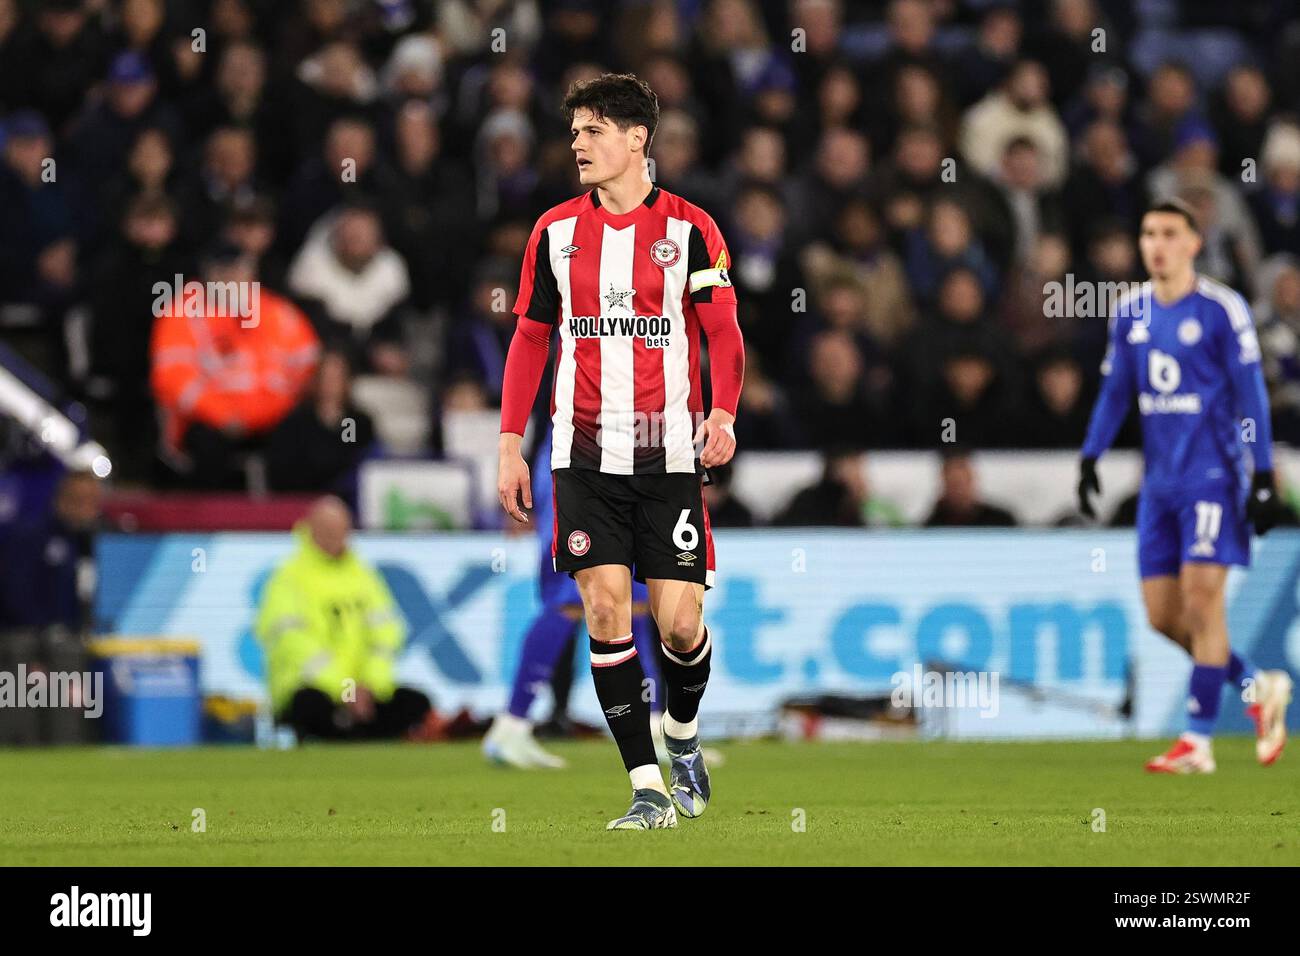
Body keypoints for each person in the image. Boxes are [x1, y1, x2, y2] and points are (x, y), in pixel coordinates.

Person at [496, 73, 744, 830]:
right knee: (603, 609)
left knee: (676, 627)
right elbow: (531, 338)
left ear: (638, 139)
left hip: (669, 457)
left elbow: (723, 332)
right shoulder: (554, 232)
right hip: (581, 455)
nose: (578, 143)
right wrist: (511, 445)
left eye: (593, 130)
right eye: (573, 132)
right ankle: (645, 787)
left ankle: (682, 733)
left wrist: (725, 414)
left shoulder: (692, 229)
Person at [1078, 198, 1293, 773]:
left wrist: (1265, 474)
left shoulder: (1223, 309)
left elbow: (1251, 397)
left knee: (1202, 602)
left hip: (1213, 478)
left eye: (1170, 233)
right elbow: (1116, 392)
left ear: (1195, 244)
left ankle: (1196, 741)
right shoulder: (1128, 312)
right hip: (1159, 487)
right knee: (1163, 617)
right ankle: (1256, 687)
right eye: (1149, 233)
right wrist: (1091, 455)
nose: (1157, 244)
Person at [482, 427, 663, 769]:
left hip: (629, 450)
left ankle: (651, 727)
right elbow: (530, 387)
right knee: (569, 598)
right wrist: (513, 453)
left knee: (634, 596)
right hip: (575, 449)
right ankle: (511, 725)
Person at [254, 497, 434, 741]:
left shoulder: (363, 576)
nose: (335, 538)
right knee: (308, 704)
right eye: (328, 531)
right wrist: (345, 689)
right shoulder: (289, 577)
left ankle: (355, 726)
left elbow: (387, 636)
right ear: (311, 529)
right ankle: (360, 730)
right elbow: (294, 644)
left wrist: (369, 685)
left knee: (416, 702)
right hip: (317, 689)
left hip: (363, 690)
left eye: (340, 531)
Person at [923, 450, 1016, 527]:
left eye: (962, 482)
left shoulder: (1001, 521)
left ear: (973, 480)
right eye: (954, 484)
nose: (958, 491)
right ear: (944, 483)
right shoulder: (933, 524)